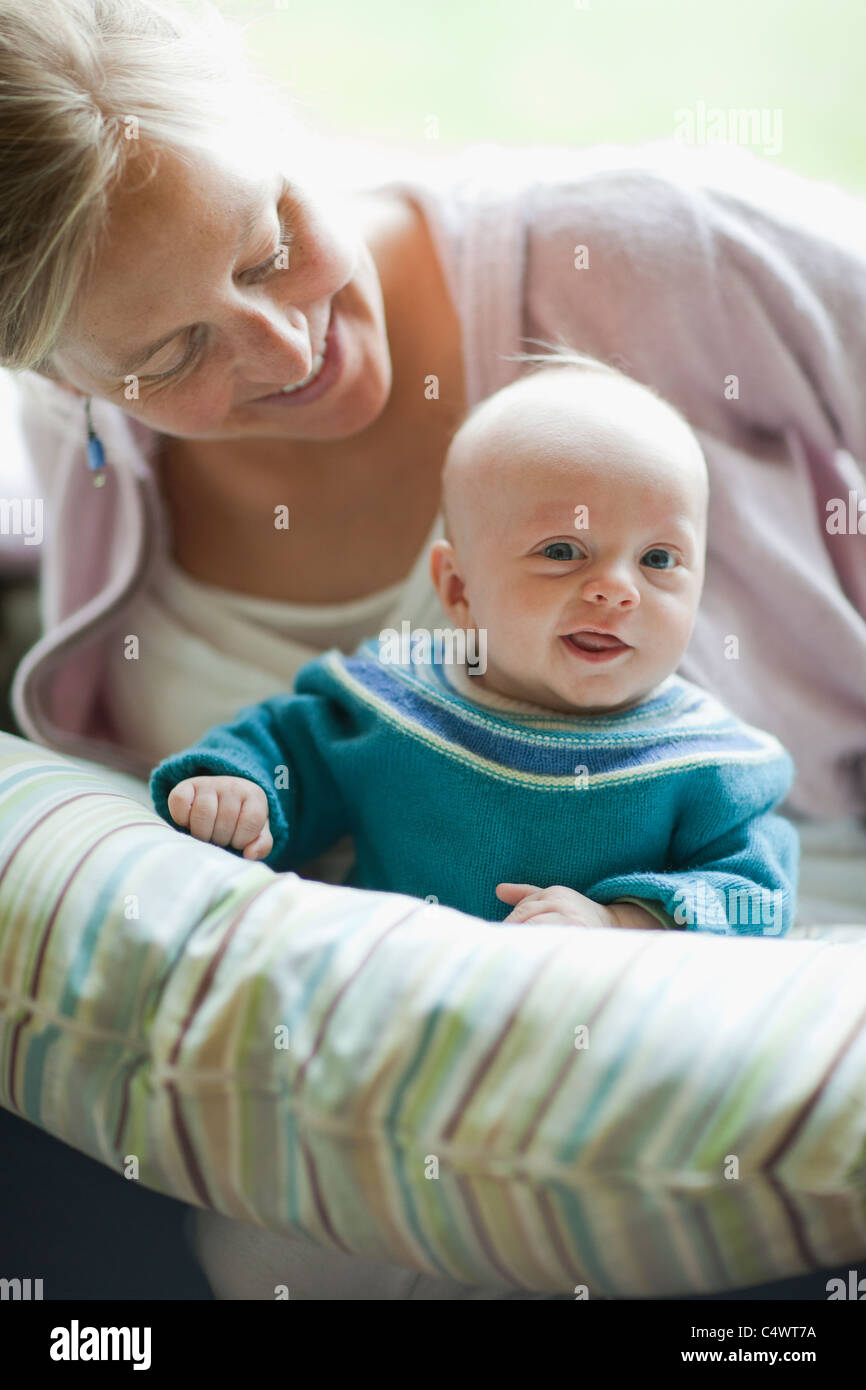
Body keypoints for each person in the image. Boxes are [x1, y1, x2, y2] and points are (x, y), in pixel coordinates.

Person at [1, 0, 865, 1299]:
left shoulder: (669, 255)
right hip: (330, 1209)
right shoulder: (78, 456)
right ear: (52, 376)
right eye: (170, 351)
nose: (290, 349)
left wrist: (646, 913)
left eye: (269, 240)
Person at [150, 353, 798, 938]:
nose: (617, 591)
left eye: (659, 558)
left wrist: (624, 919)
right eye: (562, 552)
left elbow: (755, 894)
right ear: (459, 590)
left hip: (579, 1024)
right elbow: (289, 747)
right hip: (392, 992)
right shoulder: (395, 701)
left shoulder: (705, 761)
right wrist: (240, 789)